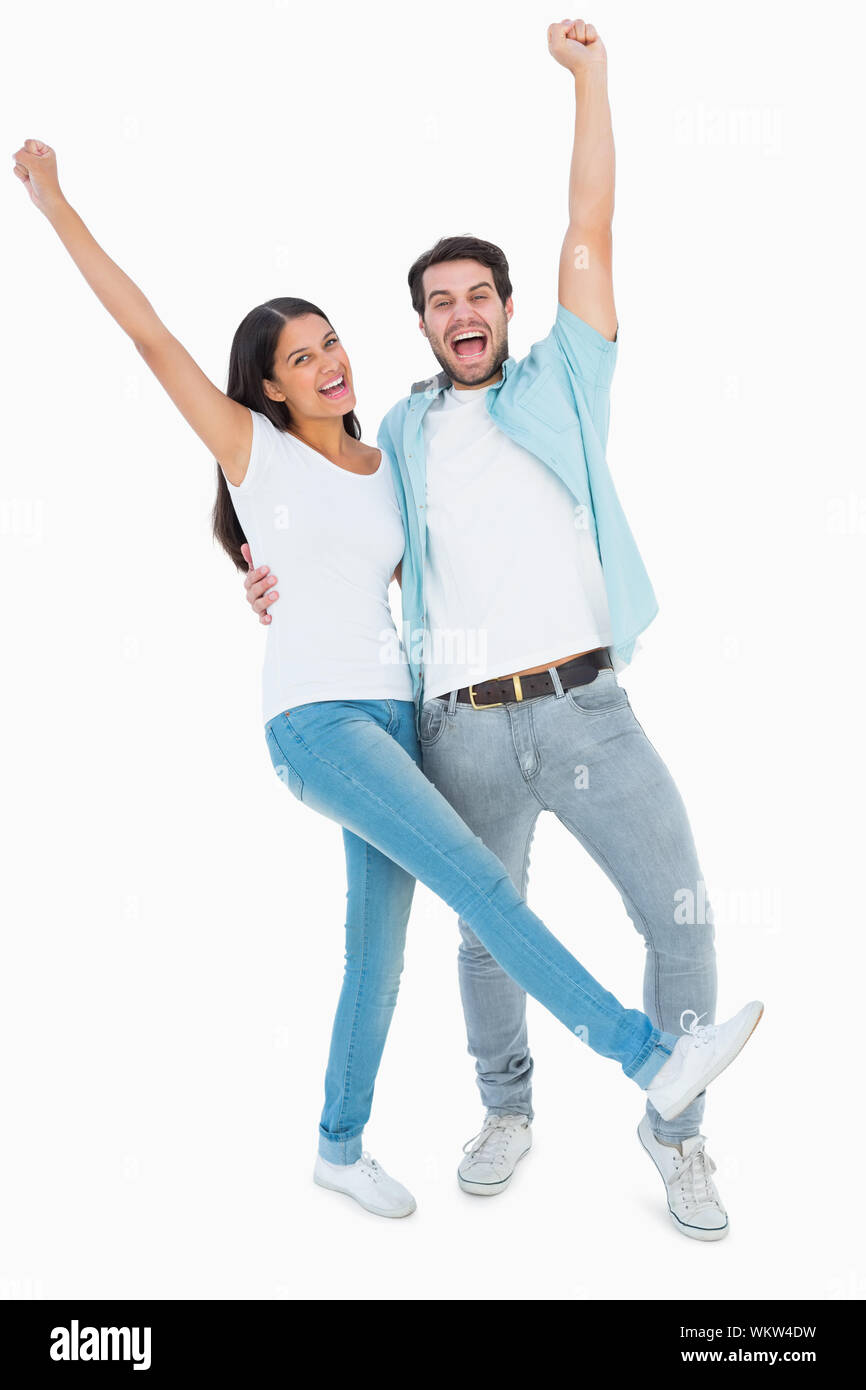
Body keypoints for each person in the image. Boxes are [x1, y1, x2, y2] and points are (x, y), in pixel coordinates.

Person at [11, 118, 761, 1227]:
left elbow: (435, 553)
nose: (327, 362)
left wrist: (256, 572)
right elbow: (150, 339)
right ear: (268, 388)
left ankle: (341, 1142)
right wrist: (56, 203)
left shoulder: (398, 453)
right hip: (347, 724)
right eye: (300, 357)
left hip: (449, 716)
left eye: (329, 342)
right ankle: (634, 1060)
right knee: (483, 896)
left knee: (381, 946)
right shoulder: (287, 443)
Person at [240, 18, 754, 1241]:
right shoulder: (403, 435)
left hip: (585, 708)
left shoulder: (561, 382)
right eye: (437, 301)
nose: (459, 312)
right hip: (454, 723)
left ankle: (674, 1130)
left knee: (677, 909)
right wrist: (258, 574)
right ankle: (505, 1109)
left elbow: (591, 225)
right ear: (418, 325)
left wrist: (591, 82)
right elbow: (322, 525)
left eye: (478, 294)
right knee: (485, 930)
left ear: (509, 307)